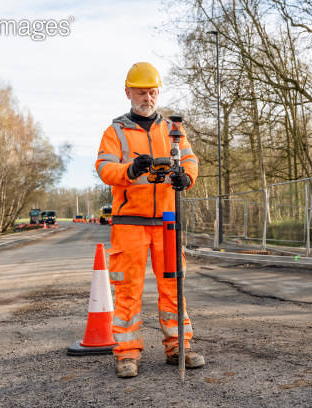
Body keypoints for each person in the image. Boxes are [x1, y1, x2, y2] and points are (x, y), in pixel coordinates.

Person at [95, 62, 204, 378]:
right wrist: (129, 170)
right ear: (128, 92)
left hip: (168, 221)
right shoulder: (114, 132)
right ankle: (127, 354)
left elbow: (189, 160)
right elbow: (104, 168)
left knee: (174, 285)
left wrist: (188, 177)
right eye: (141, 92)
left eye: (152, 92)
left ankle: (178, 347)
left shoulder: (173, 130)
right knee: (128, 288)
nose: (147, 97)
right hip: (130, 222)